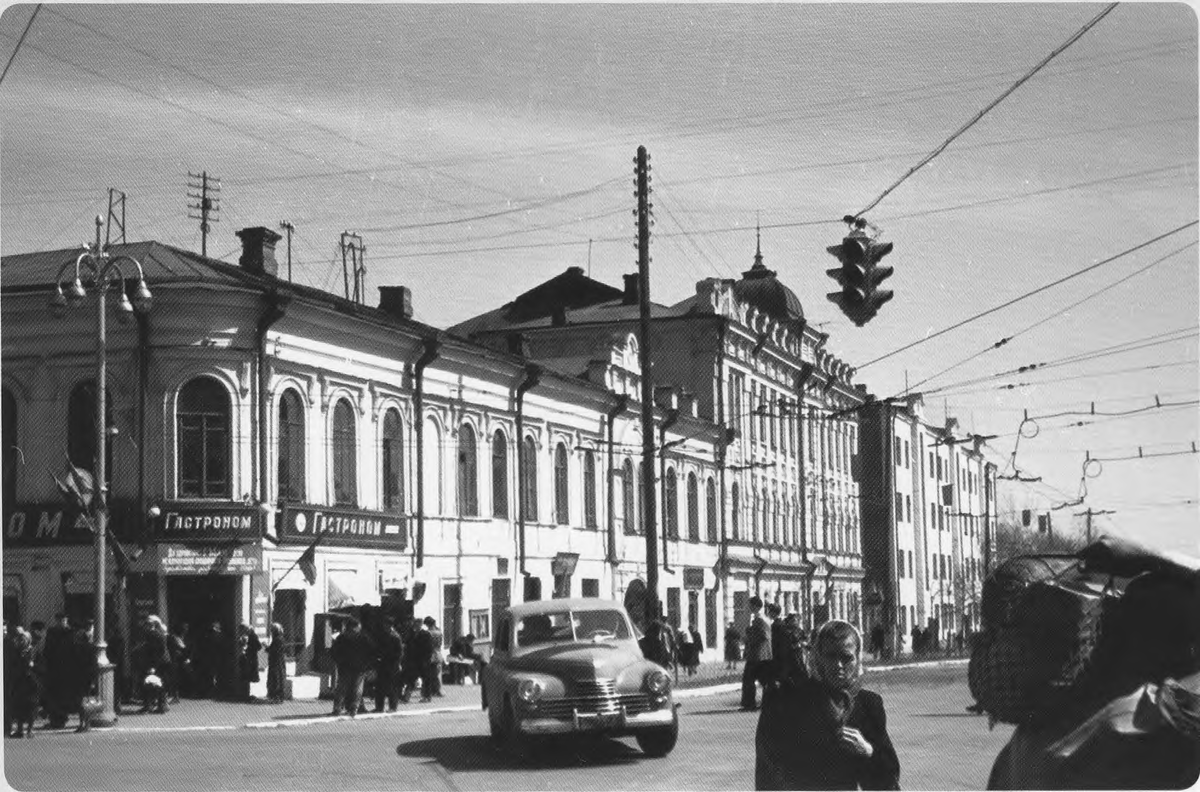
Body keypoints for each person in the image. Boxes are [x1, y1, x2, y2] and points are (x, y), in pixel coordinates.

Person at [755, 619, 901, 790]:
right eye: (831, 656)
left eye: (846, 658)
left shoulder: (868, 705)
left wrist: (868, 751)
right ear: (818, 657)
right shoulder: (787, 702)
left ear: (857, 659)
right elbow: (769, 771)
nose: (838, 665)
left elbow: (887, 782)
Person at [330, 617, 373, 716]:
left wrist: (339, 661)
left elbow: (333, 651)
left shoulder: (342, 637)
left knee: (342, 688)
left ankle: (338, 708)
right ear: (356, 627)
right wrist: (368, 665)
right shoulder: (363, 638)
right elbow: (371, 652)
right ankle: (354, 708)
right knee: (356, 688)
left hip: (345, 667)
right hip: (359, 667)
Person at [742, 596, 773, 711]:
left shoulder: (759, 620)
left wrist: (749, 636)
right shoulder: (765, 618)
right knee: (764, 680)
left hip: (757, 654)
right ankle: (767, 703)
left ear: (755, 606)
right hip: (764, 654)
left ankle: (749, 703)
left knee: (748, 679)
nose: (749, 607)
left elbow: (763, 636)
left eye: (750, 605)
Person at [42, 613, 73, 728]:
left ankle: (61, 718)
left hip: (66, 668)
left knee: (63, 695)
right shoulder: (52, 632)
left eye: (63, 620)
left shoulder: (70, 632)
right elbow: (47, 648)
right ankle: (55, 719)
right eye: (59, 620)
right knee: (54, 695)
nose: (61, 622)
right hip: (54, 667)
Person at [373, 620, 404, 711]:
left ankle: (393, 707)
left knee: (392, 687)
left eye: (386, 625)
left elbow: (399, 652)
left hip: (392, 664)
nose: (384, 627)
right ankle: (379, 707)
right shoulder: (383, 635)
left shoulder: (395, 636)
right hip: (383, 664)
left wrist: (397, 662)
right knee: (379, 687)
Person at [412, 617, 437, 702]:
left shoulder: (425, 634)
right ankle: (422, 695)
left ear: (421, 624)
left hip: (424, 659)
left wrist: (427, 658)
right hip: (415, 659)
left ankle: (427, 696)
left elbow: (429, 648)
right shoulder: (413, 634)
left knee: (426, 678)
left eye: (417, 624)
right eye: (415, 624)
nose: (416, 626)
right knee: (414, 677)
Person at [236, 623, 262, 702]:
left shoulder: (252, 636)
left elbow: (258, 646)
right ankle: (245, 694)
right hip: (247, 659)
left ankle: (246, 695)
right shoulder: (246, 636)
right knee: (245, 676)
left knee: (247, 676)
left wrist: (249, 648)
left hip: (250, 659)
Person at [266, 623, 287, 704]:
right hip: (278, 662)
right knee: (277, 679)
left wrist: (267, 647)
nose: (271, 632)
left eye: (272, 630)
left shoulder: (278, 640)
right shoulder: (279, 639)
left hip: (277, 663)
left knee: (276, 679)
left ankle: (277, 697)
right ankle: (277, 697)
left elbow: (274, 650)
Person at [425, 617, 445, 697]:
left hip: (430, 654)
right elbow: (440, 643)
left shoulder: (428, 633)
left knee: (431, 673)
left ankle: (434, 690)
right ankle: (438, 690)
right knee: (438, 673)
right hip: (438, 653)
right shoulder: (439, 632)